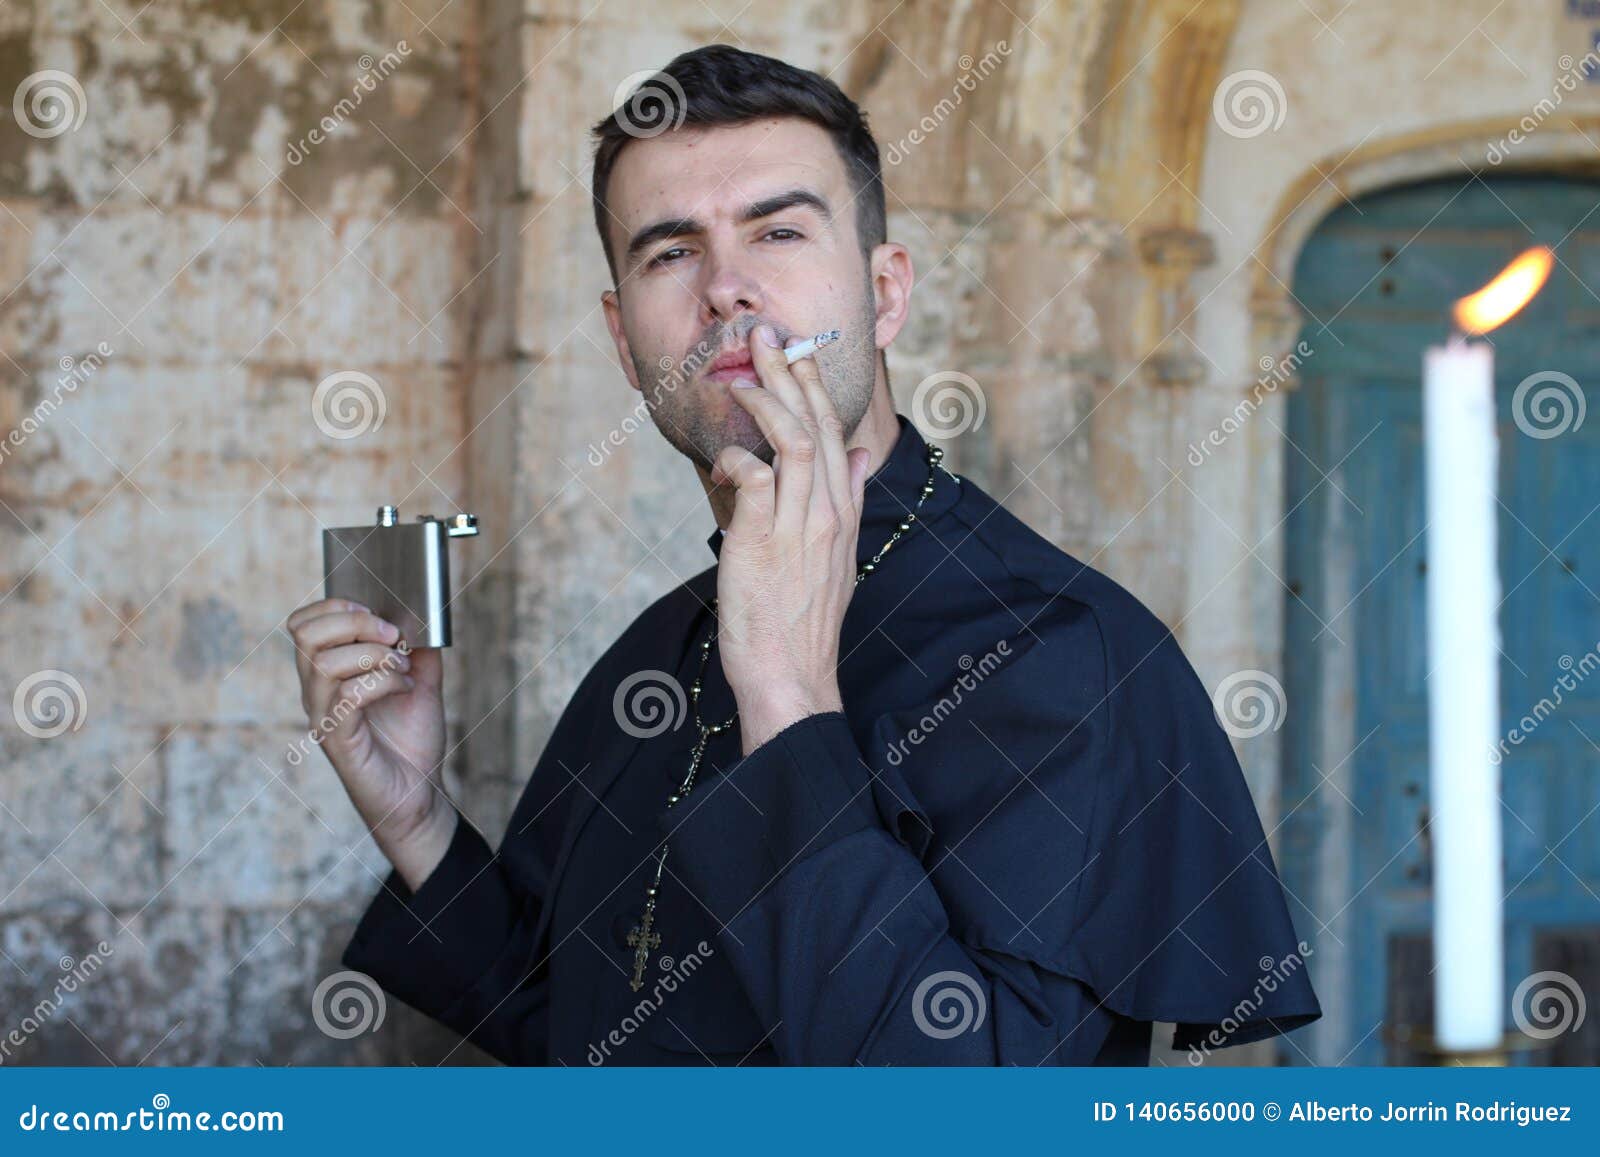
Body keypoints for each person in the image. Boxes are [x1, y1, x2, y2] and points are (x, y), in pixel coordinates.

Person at [288, 43, 1321, 1065]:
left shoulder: (1064, 652)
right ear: (623, 336)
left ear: (883, 294)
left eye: (777, 230)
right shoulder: (657, 646)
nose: (726, 287)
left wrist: (786, 698)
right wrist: (415, 814)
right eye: (669, 250)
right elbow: (574, 1026)